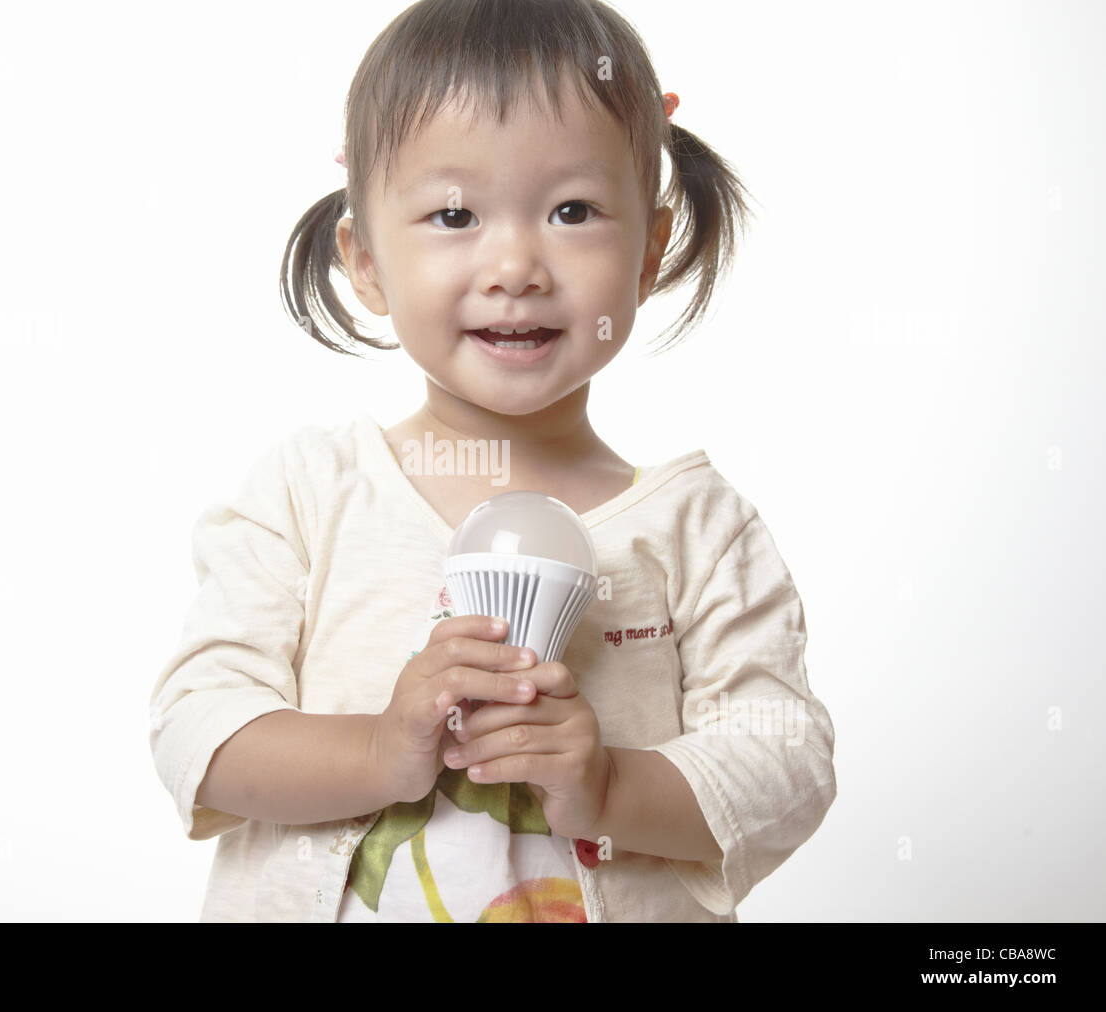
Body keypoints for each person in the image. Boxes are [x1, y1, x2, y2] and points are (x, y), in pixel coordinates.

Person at [149, 0, 836, 922]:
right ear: (367, 264)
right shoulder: (306, 496)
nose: (516, 263)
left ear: (648, 253)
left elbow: (784, 762)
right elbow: (196, 731)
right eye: (455, 213)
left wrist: (606, 785)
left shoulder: (698, 528)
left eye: (572, 210)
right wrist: (378, 752)